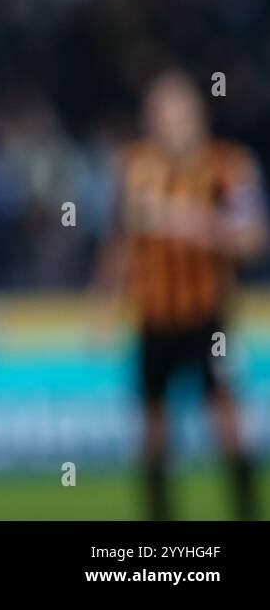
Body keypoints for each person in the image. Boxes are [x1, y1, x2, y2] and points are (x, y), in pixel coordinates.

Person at [92, 69, 267, 520]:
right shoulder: (132, 166)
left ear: (197, 114)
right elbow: (118, 244)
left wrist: (186, 221)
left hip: (209, 320)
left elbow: (252, 239)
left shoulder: (230, 165)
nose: (169, 124)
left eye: (178, 113)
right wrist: (105, 308)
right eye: (160, 114)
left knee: (228, 423)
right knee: (153, 432)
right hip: (154, 319)